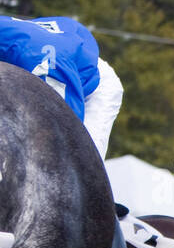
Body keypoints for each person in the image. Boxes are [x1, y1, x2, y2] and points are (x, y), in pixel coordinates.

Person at [0, 14, 123, 160]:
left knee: (77, 159)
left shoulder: (40, 57)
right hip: (56, 60)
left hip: (91, 89)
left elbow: (64, 125)